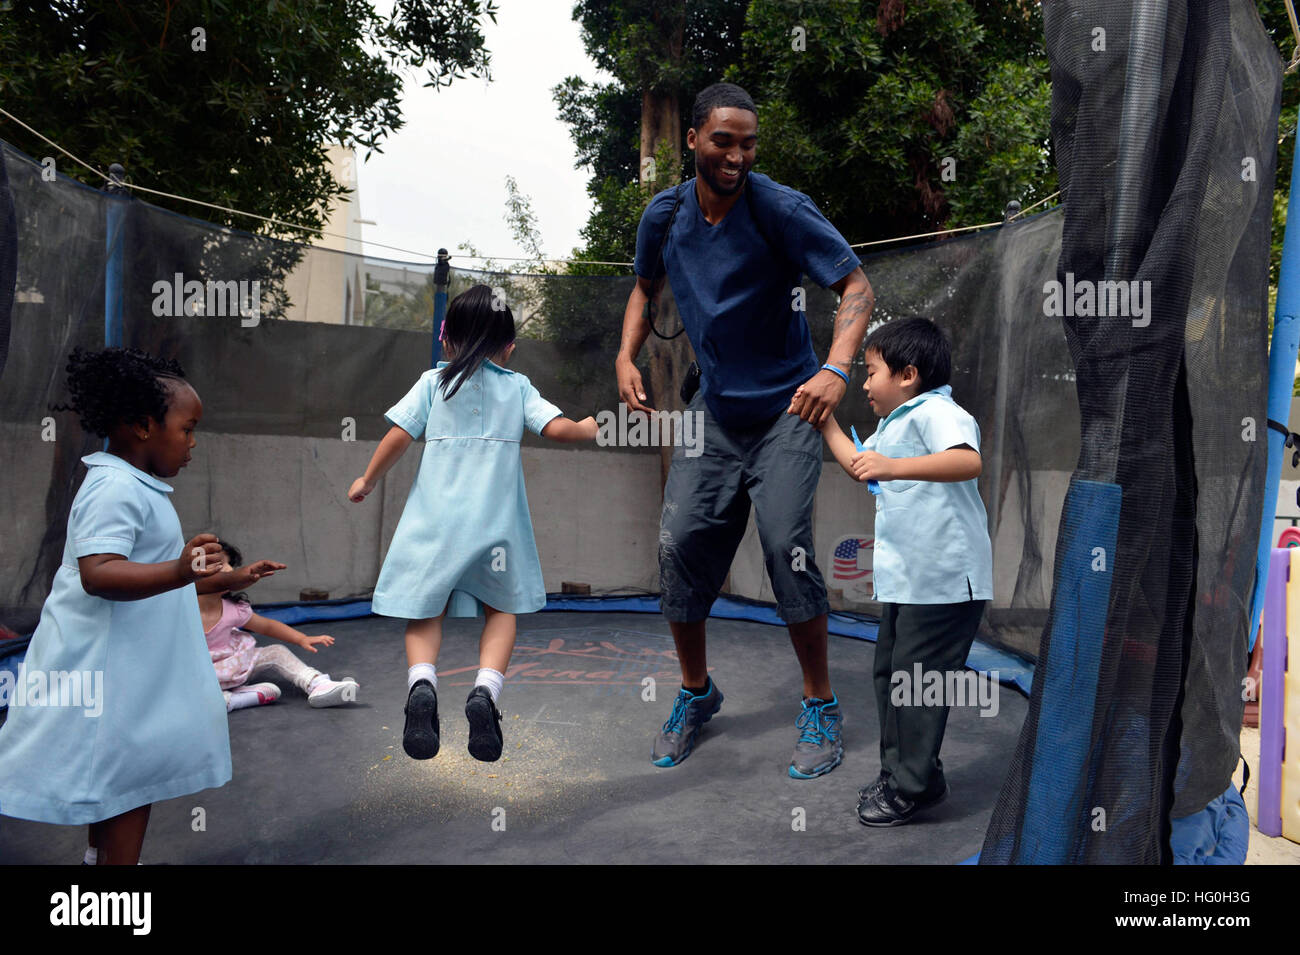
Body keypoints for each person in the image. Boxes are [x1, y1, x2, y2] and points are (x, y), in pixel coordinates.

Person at [616, 82, 876, 778]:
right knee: (678, 543)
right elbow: (644, 286)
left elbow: (855, 285)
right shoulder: (664, 216)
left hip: (789, 408)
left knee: (785, 542)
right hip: (714, 410)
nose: (737, 154)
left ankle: (820, 702)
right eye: (724, 140)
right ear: (694, 139)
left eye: (748, 143)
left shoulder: (779, 209)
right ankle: (697, 692)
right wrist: (624, 353)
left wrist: (838, 370)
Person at [0, 347, 283, 865]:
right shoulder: (113, 487)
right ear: (141, 426)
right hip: (109, 669)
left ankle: (98, 863)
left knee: (115, 775)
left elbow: (152, 580)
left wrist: (222, 578)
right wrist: (179, 569)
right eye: (188, 429)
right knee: (130, 777)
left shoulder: (136, 486)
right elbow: (100, 573)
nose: (193, 444)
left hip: (129, 670)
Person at [349, 284, 598, 763]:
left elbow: (397, 437)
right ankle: (484, 692)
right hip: (496, 527)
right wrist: (590, 426)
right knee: (501, 610)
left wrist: (367, 479)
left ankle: (422, 683)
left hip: (435, 524)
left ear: (447, 341)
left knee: (426, 611)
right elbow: (559, 430)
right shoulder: (517, 387)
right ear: (508, 348)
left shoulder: (432, 384)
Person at [817, 317, 993, 826]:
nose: (865, 383)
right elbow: (862, 464)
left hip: (944, 583)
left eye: (871, 372)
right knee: (891, 679)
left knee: (916, 684)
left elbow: (966, 462)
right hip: (910, 582)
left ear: (908, 374)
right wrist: (824, 419)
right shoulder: (895, 424)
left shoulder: (938, 411)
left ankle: (910, 788)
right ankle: (909, 775)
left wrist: (891, 467)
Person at [199, 539, 358, 711]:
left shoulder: (234, 609)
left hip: (235, 664)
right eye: (221, 564)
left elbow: (267, 626)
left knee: (276, 651)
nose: (230, 570)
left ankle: (317, 683)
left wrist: (302, 638)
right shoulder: (181, 612)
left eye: (229, 564)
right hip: (204, 674)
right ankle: (233, 699)